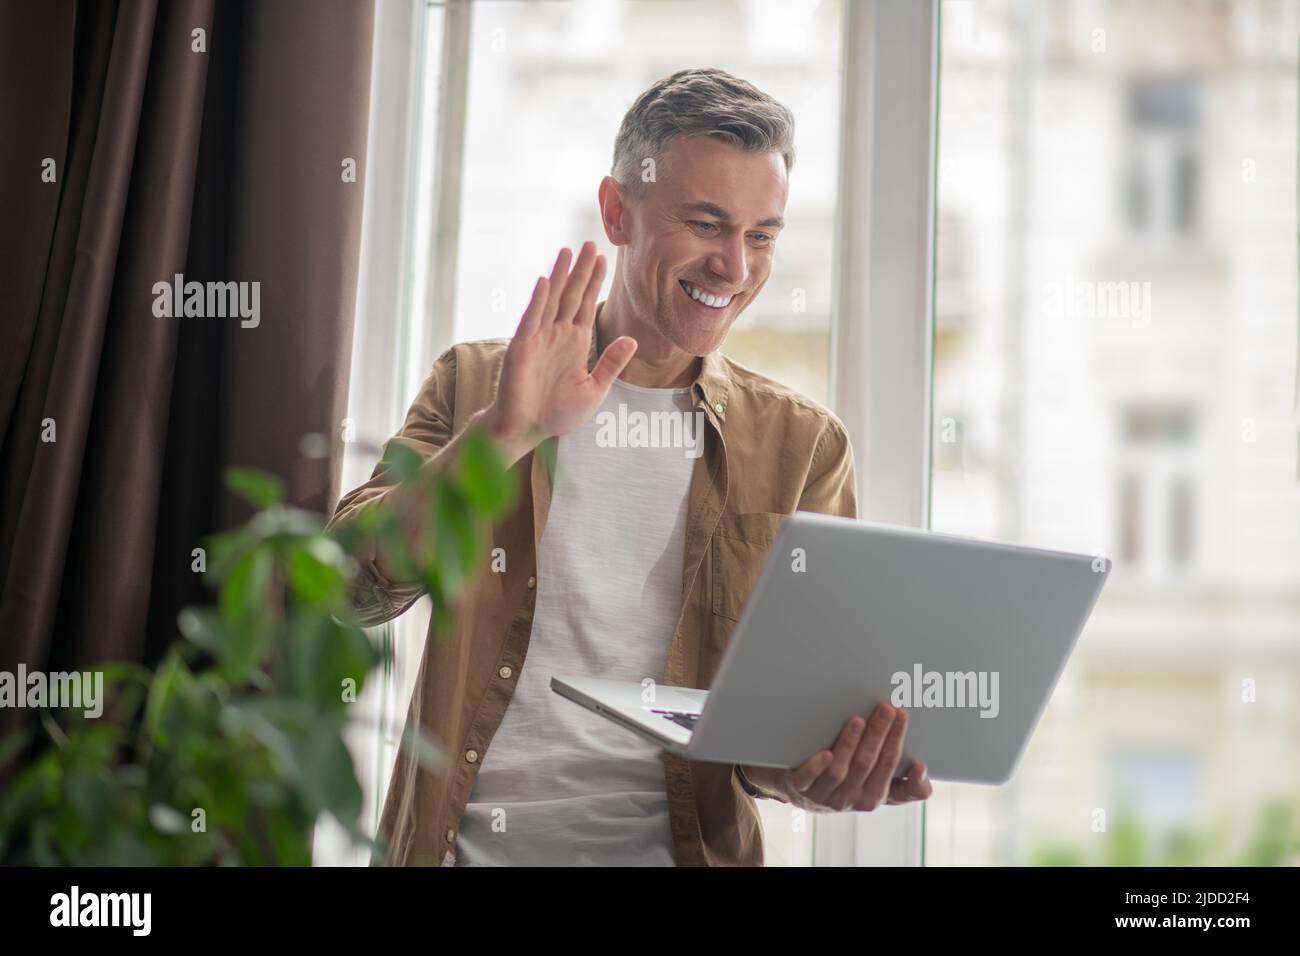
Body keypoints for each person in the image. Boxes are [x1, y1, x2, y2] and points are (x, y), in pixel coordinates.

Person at [329, 68, 932, 867]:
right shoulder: (477, 385)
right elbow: (342, 588)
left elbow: (783, 723)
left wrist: (813, 775)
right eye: (707, 224)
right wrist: (504, 434)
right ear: (619, 211)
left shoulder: (803, 448)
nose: (736, 267)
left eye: (761, 236)